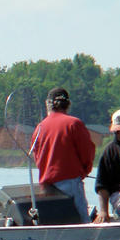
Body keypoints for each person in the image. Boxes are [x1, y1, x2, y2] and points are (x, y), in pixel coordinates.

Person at [30, 87, 96, 223]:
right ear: (68, 104)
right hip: (70, 182)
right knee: (81, 221)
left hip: (46, 187)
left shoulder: (40, 127)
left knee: (54, 221)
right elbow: (87, 152)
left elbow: (37, 158)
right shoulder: (74, 123)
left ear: (47, 104)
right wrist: (84, 171)